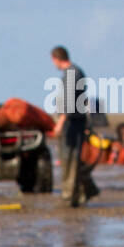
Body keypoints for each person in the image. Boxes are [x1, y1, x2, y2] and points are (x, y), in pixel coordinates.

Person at [49, 46, 99, 207]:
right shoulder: (74, 72)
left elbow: (70, 101)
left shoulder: (72, 73)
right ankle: (84, 192)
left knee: (70, 158)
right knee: (72, 158)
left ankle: (70, 195)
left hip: (72, 122)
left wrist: (60, 122)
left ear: (56, 58)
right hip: (74, 120)